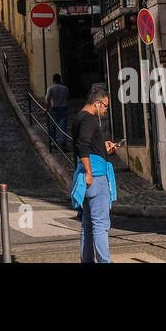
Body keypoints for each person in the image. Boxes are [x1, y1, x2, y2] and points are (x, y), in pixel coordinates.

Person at [72, 84, 119, 264]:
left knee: (88, 226)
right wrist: (90, 172)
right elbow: (82, 145)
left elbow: (87, 146)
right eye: (105, 106)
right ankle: (104, 261)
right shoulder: (89, 120)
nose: (106, 110)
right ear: (97, 103)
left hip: (87, 175)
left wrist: (104, 147)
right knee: (100, 225)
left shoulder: (79, 118)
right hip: (95, 177)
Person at [44, 74, 70, 149]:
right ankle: (63, 145)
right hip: (64, 108)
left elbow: (47, 100)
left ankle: (54, 143)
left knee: (52, 127)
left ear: (53, 80)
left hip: (54, 109)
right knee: (63, 128)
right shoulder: (65, 88)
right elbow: (67, 97)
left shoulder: (50, 88)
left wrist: (46, 108)